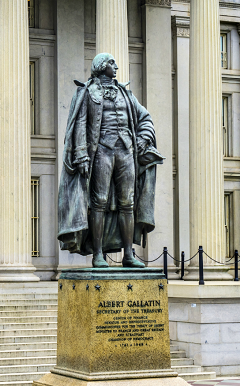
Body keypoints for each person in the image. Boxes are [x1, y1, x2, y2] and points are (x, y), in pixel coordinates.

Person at [57, 53, 164, 268]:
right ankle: (97, 254)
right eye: (111, 63)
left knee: (128, 203)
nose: (115, 66)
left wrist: (143, 139)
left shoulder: (126, 93)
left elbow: (144, 118)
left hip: (126, 152)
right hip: (101, 152)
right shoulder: (88, 92)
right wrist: (81, 155)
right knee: (99, 203)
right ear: (101, 66)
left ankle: (128, 255)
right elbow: (80, 123)